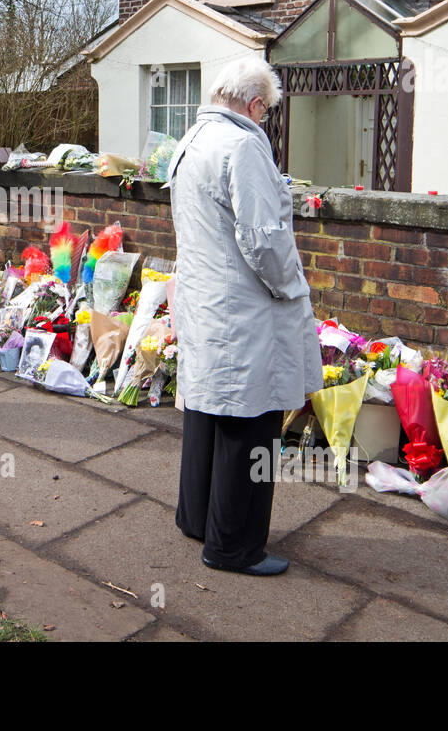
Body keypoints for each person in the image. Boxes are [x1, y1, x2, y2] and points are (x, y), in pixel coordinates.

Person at [167, 56, 321, 577]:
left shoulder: (189, 143)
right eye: (267, 111)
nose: (266, 120)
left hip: (204, 299)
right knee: (249, 420)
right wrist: (291, 287)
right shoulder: (245, 145)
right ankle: (233, 547)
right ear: (256, 105)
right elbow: (264, 239)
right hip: (243, 307)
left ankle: (196, 521)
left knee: (208, 410)